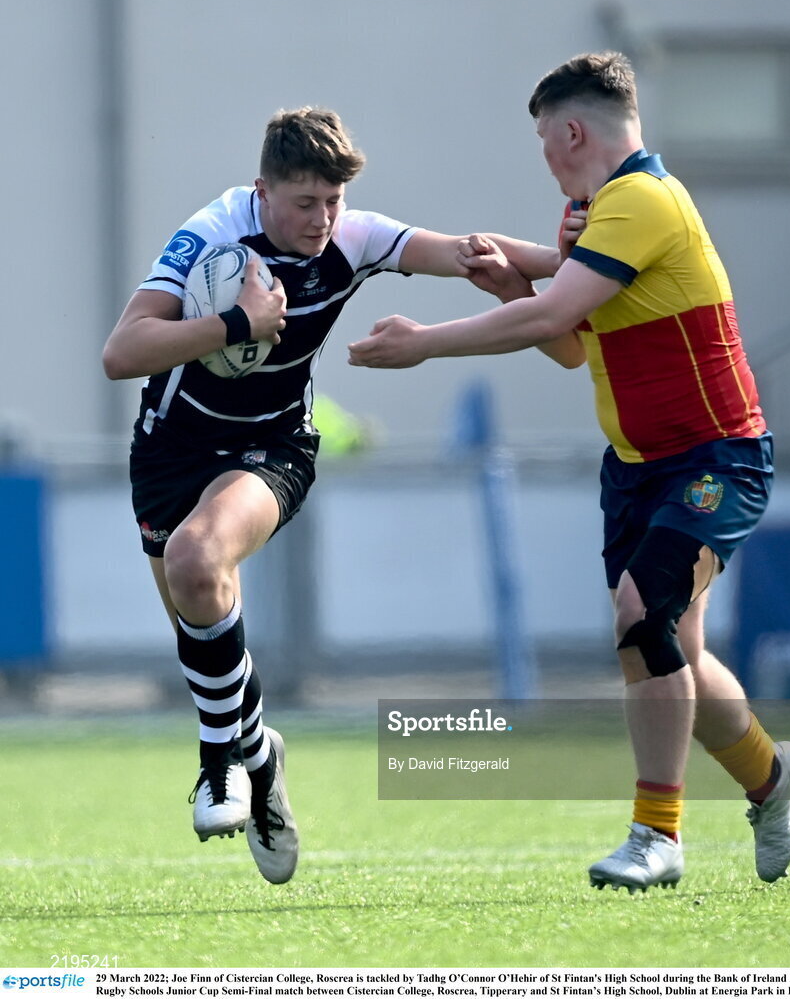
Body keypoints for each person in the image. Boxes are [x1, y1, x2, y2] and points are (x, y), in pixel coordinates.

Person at [348, 53, 790, 892]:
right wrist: (504, 283)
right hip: (637, 468)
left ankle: (656, 836)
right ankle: (771, 778)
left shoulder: (640, 198)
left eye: (542, 138)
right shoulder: (591, 216)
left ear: (570, 131)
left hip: (715, 458)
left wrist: (424, 344)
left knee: (641, 619)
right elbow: (571, 346)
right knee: (672, 651)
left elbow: (555, 312)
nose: (544, 155)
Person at [102, 106, 566, 885]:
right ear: (262, 191)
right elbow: (122, 353)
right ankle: (260, 754)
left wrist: (569, 258)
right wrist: (233, 323)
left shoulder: (349, 235)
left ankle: (221, 765)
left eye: (334, 202)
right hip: (170, 451)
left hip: (273, 446)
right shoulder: (211, 235)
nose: (323, 220)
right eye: (304, 202)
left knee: (197, 558)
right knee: (200, 616)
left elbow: (466, 250)